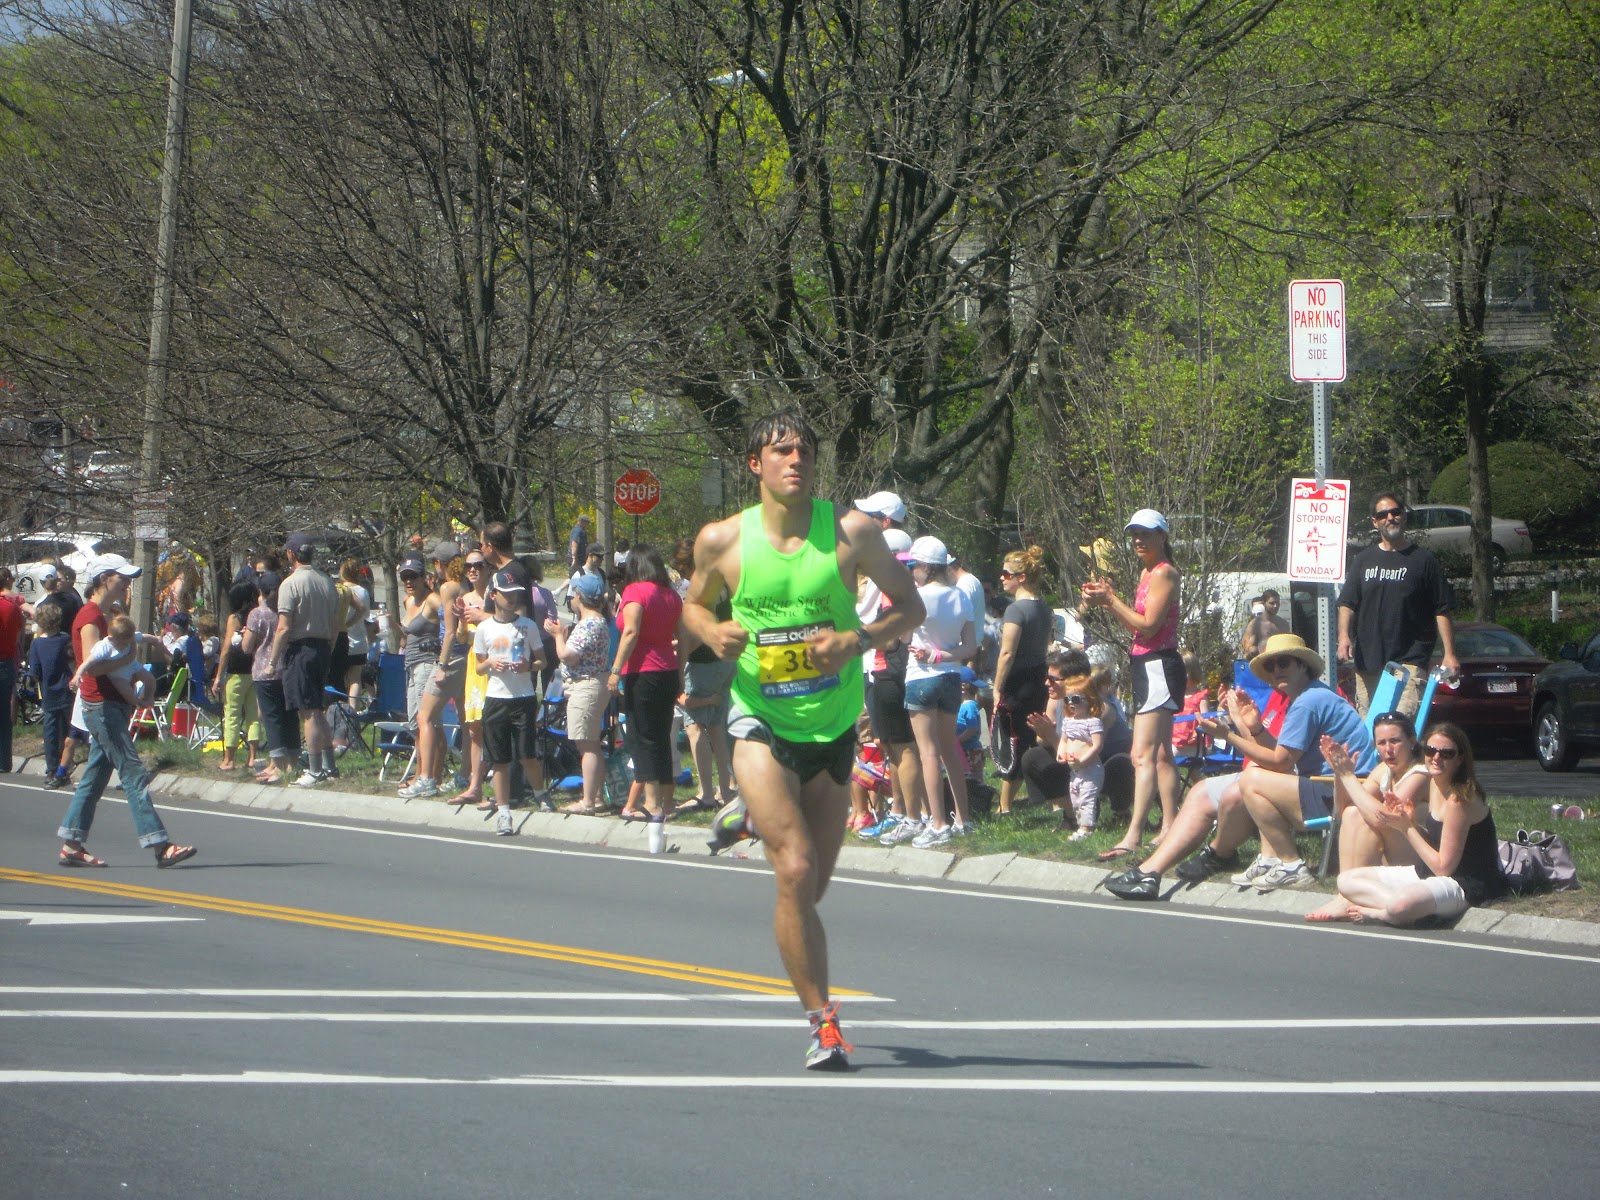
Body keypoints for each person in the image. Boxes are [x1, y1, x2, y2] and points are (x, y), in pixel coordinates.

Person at [681, 409, 922, 1071]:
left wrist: (857, 640)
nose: (796, 461)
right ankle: (823, 1022)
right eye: (781, 451)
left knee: (808, 890)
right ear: (754, 464)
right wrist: (711, 631)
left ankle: (748, 814)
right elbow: (693, 605)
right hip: (760, 720)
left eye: (805, 452)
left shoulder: (850, 533)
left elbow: (912, 607)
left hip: (834, 726)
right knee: (792, 868)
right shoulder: (723, 540)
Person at [57, 561, 197, 869]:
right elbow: (93, 666)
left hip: (111, 705)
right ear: (105, 579)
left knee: (94, 778)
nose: (127, 584)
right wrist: (132, 658)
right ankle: (160, 845)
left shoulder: (108, 617)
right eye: (122, 579)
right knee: (132, 772)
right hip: (102, 706)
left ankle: (71, 843)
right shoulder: (90, 617)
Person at [1315, 722, 1507, 925]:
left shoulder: (1458, 801)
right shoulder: (1434, 783)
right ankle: (1406, 910)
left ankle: (1385, 912)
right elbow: (1344, 810)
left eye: (1446, 753)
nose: (1436, 758)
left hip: (1464, 884)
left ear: (1460, 759)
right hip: (1428, 874)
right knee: (1346, 881)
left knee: (1401, 905)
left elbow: (1444, 868)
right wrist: (1409, 823)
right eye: (1431, 751)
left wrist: (1406, 827)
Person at [1229, 633, 1377, 891]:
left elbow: (1280, 762)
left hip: (1341, 791)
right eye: (1270, 666)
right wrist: (1255, 728)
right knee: (1256, 772)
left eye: (1283, 662)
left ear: (1302, 665)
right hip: (1346, 786)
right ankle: (1270, 859)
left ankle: (1291, 864)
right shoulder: (1310, 697)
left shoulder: (1307, 703)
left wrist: (1228, 734)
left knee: (1252, 779)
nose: (1276, 670)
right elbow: (1282, 758)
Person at [1082, 509, 1183, 859]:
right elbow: (1136, 625)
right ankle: (1171, 824)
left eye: (1146, 533)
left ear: (1163, 536)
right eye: (1134, 534)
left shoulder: (1164, 573)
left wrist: (1110, 601)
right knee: (1160, 753)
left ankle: (1134, 834)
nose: (1139, 540)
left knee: (1141, 755)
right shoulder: (1146, 572)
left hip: (1158, 665)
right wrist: (1106, 598)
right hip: (1146, 664)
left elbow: (1149, 625)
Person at [1338, 493, 1460, 715]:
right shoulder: (1363, 561)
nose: (1390, 517)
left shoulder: (1424, 560)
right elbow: (1347, 602)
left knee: (1399, 729)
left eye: (1395, 512)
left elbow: (1442, 608)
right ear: (1375, 522)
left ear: (1404, 517)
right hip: (1369, 663)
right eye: (1383, 514)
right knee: (1371, 732)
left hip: (1410, 661)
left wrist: (1449, 654)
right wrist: (1344, 636)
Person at [1304, 711, 1431, 919]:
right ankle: (1346, 895)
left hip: (1420, 861)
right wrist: (1340, 774)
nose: (1388, 750)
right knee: (1354, 814)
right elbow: (1342, 811)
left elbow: (1385, 820)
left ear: (1412, 741)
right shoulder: (1383, 770)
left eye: (1395, 741)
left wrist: (1349, 777)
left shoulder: (1420, 774)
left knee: (1367, 815)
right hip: (1395, 853)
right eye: (1381, 743)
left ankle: (1349, 897)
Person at [900, 535, 977, 848]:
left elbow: (904, 636)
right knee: (949, 750)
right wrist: (943, 655)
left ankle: (938, 822)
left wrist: (926, 652)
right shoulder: (961, 596)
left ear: (923, 567)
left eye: (913, 565)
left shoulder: (917, 597)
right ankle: (963, 818)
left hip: (920, 677)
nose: (911, 571)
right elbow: (970, 645)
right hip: (950, 677)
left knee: (928, 753)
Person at [607, 545, 683, 852]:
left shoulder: (636, 591)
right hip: (668, 668)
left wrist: (615, 671)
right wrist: (681, 670)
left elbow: (631, 631)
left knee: (642, 737)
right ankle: (665, 800)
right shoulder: (671, 595)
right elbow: (682, 634)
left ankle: (652, 805)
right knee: (662, 736)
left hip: (643, 670)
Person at [473, 569, 547, 836]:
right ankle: (503, 812)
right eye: (506, 595)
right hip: (496, 698)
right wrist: (491, 662)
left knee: (527, 754)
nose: (512, 599)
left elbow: (543, 660)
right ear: (494, 596)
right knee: (499, 760)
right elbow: (480, 667)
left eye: (515, 595)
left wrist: (529, 665)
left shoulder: (527, 626)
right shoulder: (484, 628)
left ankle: (541, 795)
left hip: (524, 697)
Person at [269, 532, 340, 787]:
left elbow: (284, 627)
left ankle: (314, 770)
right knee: (317, 709)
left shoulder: (290, 583)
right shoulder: (326, 581)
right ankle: (329, 765)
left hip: (301, 649)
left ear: (291, 554)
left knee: (308, 712)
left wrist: (272, 660)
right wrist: (329, 647)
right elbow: (335, 623)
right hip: (322, 648)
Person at [401, 542, 468, 800]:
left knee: (425, 718)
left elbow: (449, 631)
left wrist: (441, 665)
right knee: (464, 721)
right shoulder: (463, 586)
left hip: (448, 660)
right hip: (459, 657)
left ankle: (427, 778)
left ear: (440, 564)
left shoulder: (447, 587)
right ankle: (460, 775)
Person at [990, 545, 1052, 815]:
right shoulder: (1044, 607)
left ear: (1022, 577)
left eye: (1007, 574)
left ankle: (1005, 806)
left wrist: (997, 687)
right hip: (1038, 676)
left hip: (1017, 680)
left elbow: (1006, 652)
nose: (1002, 578)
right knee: (1036, 736)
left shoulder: (1016, 610)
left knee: (1013, 741)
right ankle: (1049, 795)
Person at [547, 571, 612, 815]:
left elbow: (568, 656)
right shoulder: (600, 621)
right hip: (593, 684)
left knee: (587, 745)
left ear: (580, 596)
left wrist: (556, 637)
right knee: (592, 743)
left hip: (585, 686)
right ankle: (597, 796)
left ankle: (588, 801)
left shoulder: (589, 623)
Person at [447, 550, 492, 808]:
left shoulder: (496, 596)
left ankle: (499, 785)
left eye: (478, 565)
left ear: (487, 568)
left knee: (493, 728)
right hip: (474, 667)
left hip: (495, 668)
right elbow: (463, 639)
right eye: (468, 566)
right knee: (474, 728)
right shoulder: (465, 598)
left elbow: (508, 622)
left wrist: (480, 616)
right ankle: (474, 785)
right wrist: (463, 623)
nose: (473, 570)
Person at [394, 553, 441, 792]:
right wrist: (393, 624)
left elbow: (450, 623)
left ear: (425, 577)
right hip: (410, 664)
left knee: (424, 721)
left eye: (413, 576)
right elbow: (407, 633)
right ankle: (423, 773)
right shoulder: (408, 602)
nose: (409, 581)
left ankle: (428, 776)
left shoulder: (432, 600)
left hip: (427, 664)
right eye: (405, 577)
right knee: (415, 723)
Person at [245, 573, 292, 784]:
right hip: (286, 668)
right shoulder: (285, 613)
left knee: (271, 718)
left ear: (261, 593)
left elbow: (247, 646)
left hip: (264, 671)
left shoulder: (257, 614)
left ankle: (277, 762)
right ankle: (290, 762)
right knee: (288, 717)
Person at [212, 581, 263, 772]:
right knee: (253, 717)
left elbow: (226, 649)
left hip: (236, 673)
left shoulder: (235, 618)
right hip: (254, 670)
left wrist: (219, 675)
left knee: (232, 714)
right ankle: (252, 758)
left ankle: (229, 760)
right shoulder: (258, 614)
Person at [28, 603, 73, 788]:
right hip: (67, 689)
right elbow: (72, 659)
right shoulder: (64, 639)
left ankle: (51, 769)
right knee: (69, 730)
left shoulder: (37, 643)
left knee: (51, 732)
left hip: (48, 692)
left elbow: (35, 670)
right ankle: (65, 766)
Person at [1057, 675, 1106, 841]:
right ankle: (1081, 826)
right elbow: (1064, 740)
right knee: (1076, 798)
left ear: (1089, 700)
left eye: (1076, 699)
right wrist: (1061, 753)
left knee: (1087, 798)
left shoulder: (1093, 722)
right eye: (1067, 699)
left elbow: (1097, 746)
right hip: (1075, 770)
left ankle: (1087, 828)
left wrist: (1084, 759)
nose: (1071, 703)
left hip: (1090, 769)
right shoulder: (1068, 721)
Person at [0, 569, 21, 772]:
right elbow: (18, 633)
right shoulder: (12, 607)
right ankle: (4, 760)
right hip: (6, 661)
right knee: (4, 713)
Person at [1239, 589, 1291, 659]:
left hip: (1280, 662)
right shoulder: (1255, 624)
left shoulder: (1283, 624)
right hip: (1263, 663)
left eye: (1277, 603)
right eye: (1272, 603)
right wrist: (1253, 650)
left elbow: (1288, 644)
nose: (1275, 606)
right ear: (1264, 603)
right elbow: (1246, 646)